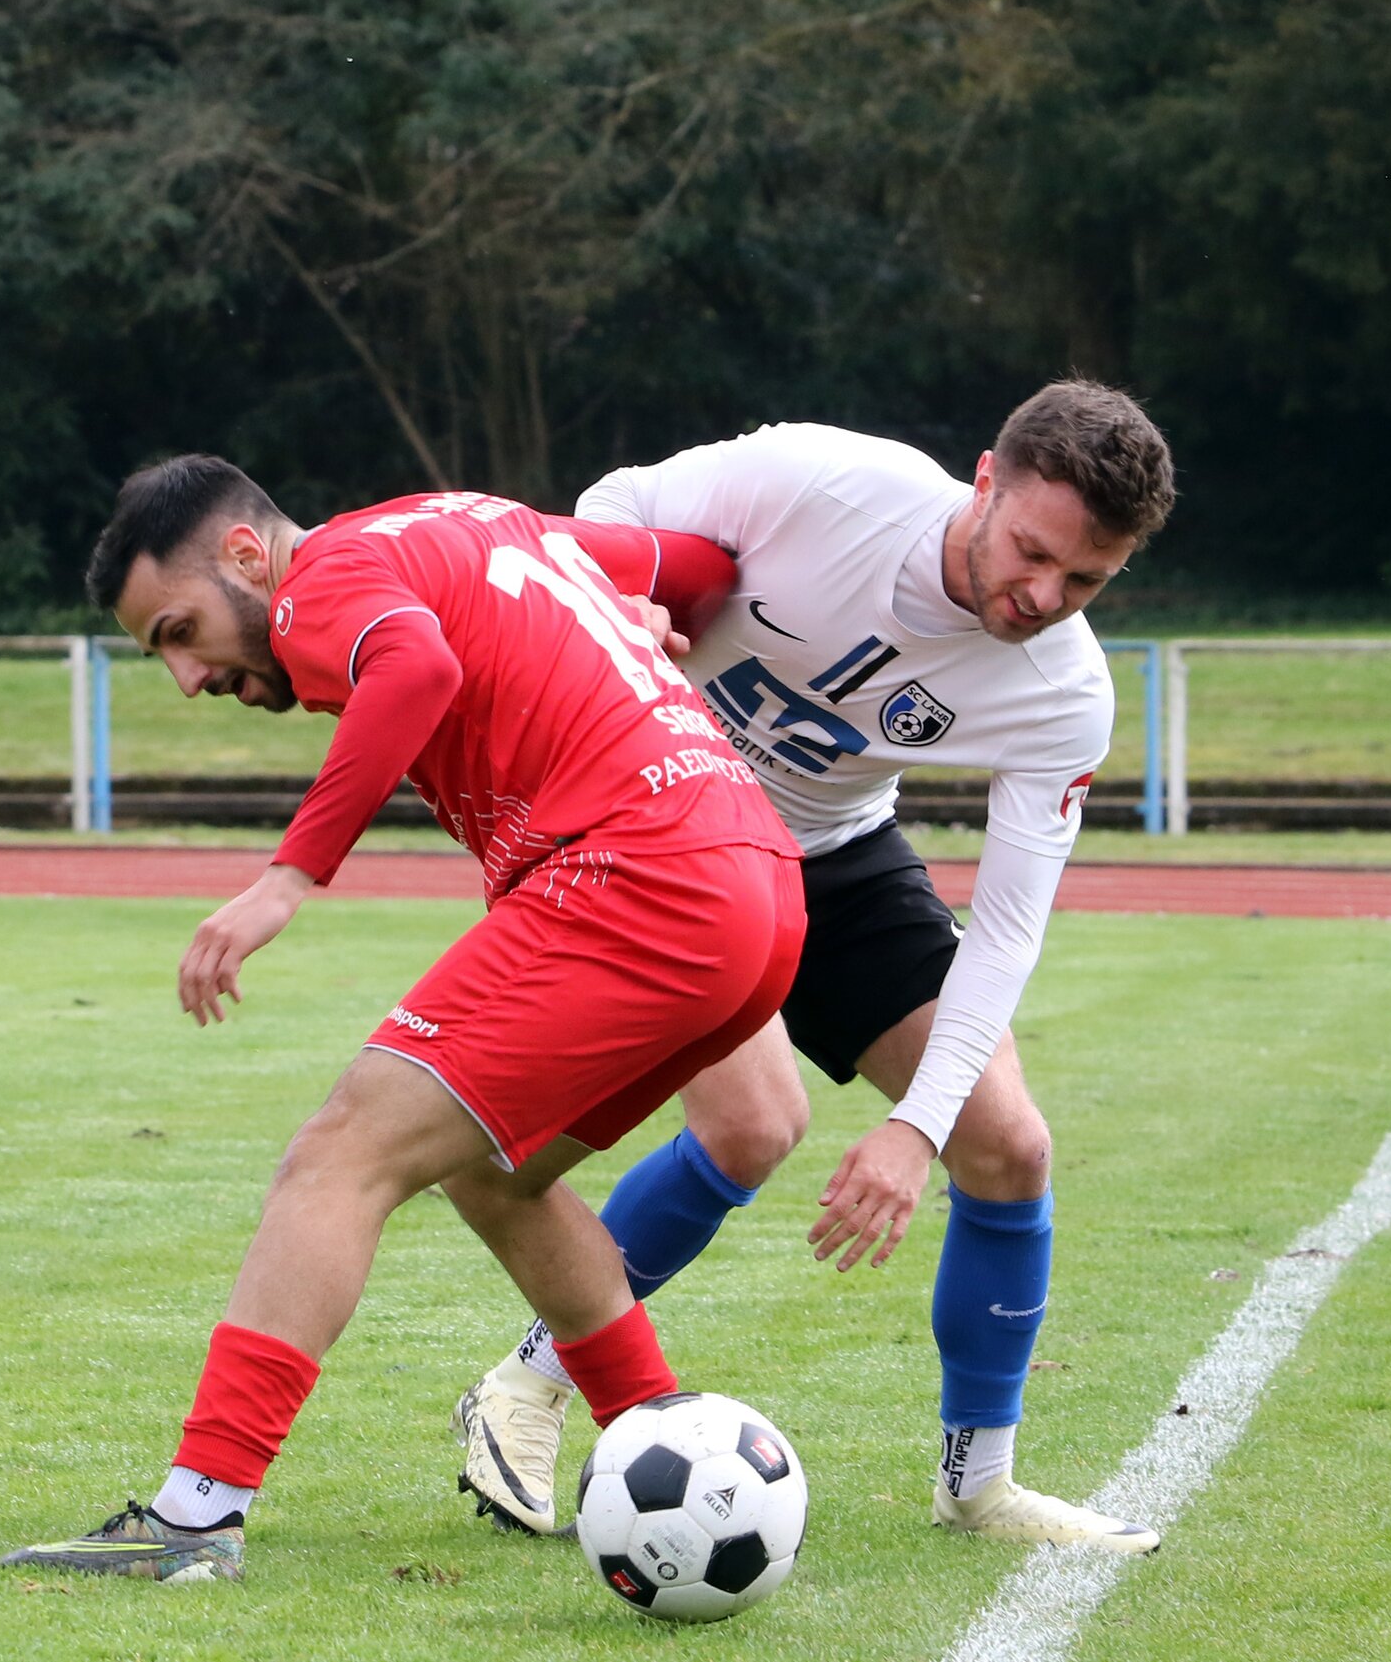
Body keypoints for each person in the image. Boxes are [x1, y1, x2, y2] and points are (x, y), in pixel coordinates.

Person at [0, 458, 804, 1580]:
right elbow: (701, 569)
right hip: (759, 880)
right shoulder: (475, 522)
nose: (185, 675)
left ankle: (194, 1517)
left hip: (633, 874)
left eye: (179, 631)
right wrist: (645, 616)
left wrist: (289, 876)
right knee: (490, 1170)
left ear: (244, 551)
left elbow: (413, 662)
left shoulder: (316, 575)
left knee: (338, 1155)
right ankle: (661, 1446)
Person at [454, 379, 1176, 1553]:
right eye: (1032, 554)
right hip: (661, 824)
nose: (1041, 598)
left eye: (1085, 581)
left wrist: (916, 1128)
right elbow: (607, 510)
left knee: (1006, 1142)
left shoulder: (1064, 692)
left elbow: (1003, 930)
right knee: (751, 1124)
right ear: (983, 480)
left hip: (833, 850)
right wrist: (620, 607)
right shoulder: (821, 478)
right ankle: (525, 1389)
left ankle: (978, 1482)